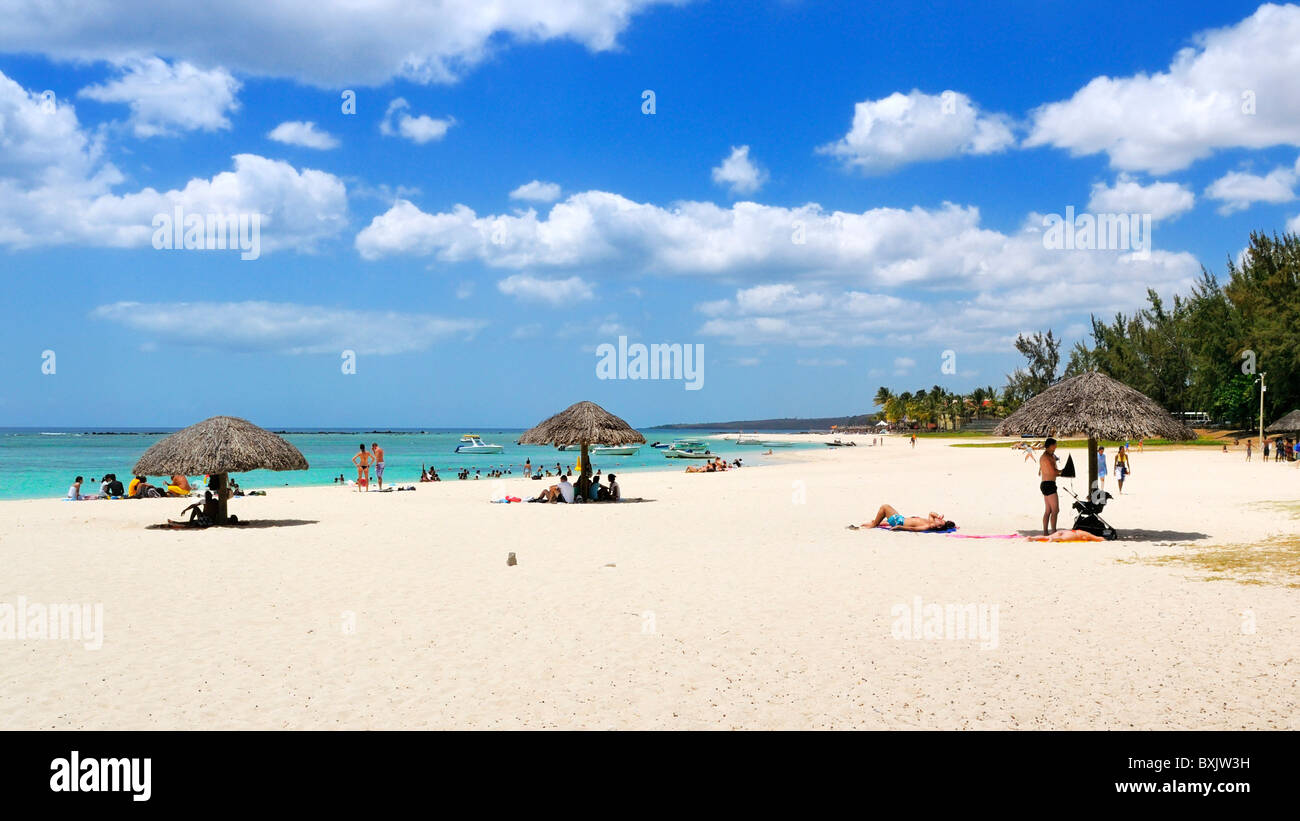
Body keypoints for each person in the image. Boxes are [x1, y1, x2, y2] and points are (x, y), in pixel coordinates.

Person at [853, 504, 954, 532]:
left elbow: (912, 528)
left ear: (939, 527)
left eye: (940, 522)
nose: (939, 520)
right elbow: (931, 513)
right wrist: (938, 516)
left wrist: (899, 527)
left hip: (898, 521)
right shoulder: (931, 521)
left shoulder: (926, 526)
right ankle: (873, 523)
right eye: (940, 519)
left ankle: (873, 525)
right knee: (881, 518)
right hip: (901, 518)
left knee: (885, 507)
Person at [1039, 437, 1060, 536]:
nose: (1056, 446)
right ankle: (1053, 532)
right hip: (1049, 484)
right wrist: (1064, 472)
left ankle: (1046, 532)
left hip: (1046, 484)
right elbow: (1053, 472)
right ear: (1050, 445)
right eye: (1055, 444)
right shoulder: (1046, 457)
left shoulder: (1049, 456)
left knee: (1048, 510)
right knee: (1055, 510)